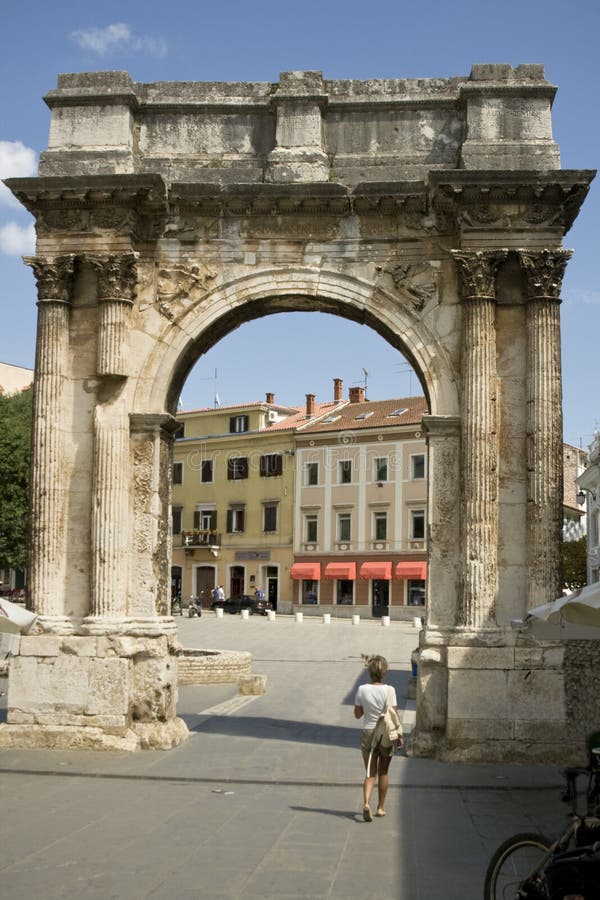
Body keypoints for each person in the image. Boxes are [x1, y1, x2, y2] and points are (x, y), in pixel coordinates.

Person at [353, 654, 403, 822]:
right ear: (384, 672)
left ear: (369, 671)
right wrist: (400, 735)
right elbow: (394, 714)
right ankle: (380, 807)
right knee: (383, 771)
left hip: (368, 732)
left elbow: (357, 715)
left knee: (369, 773)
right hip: (386, 734)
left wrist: (367, 707)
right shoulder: (390, 690)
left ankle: (366, 803)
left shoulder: (361, 689)